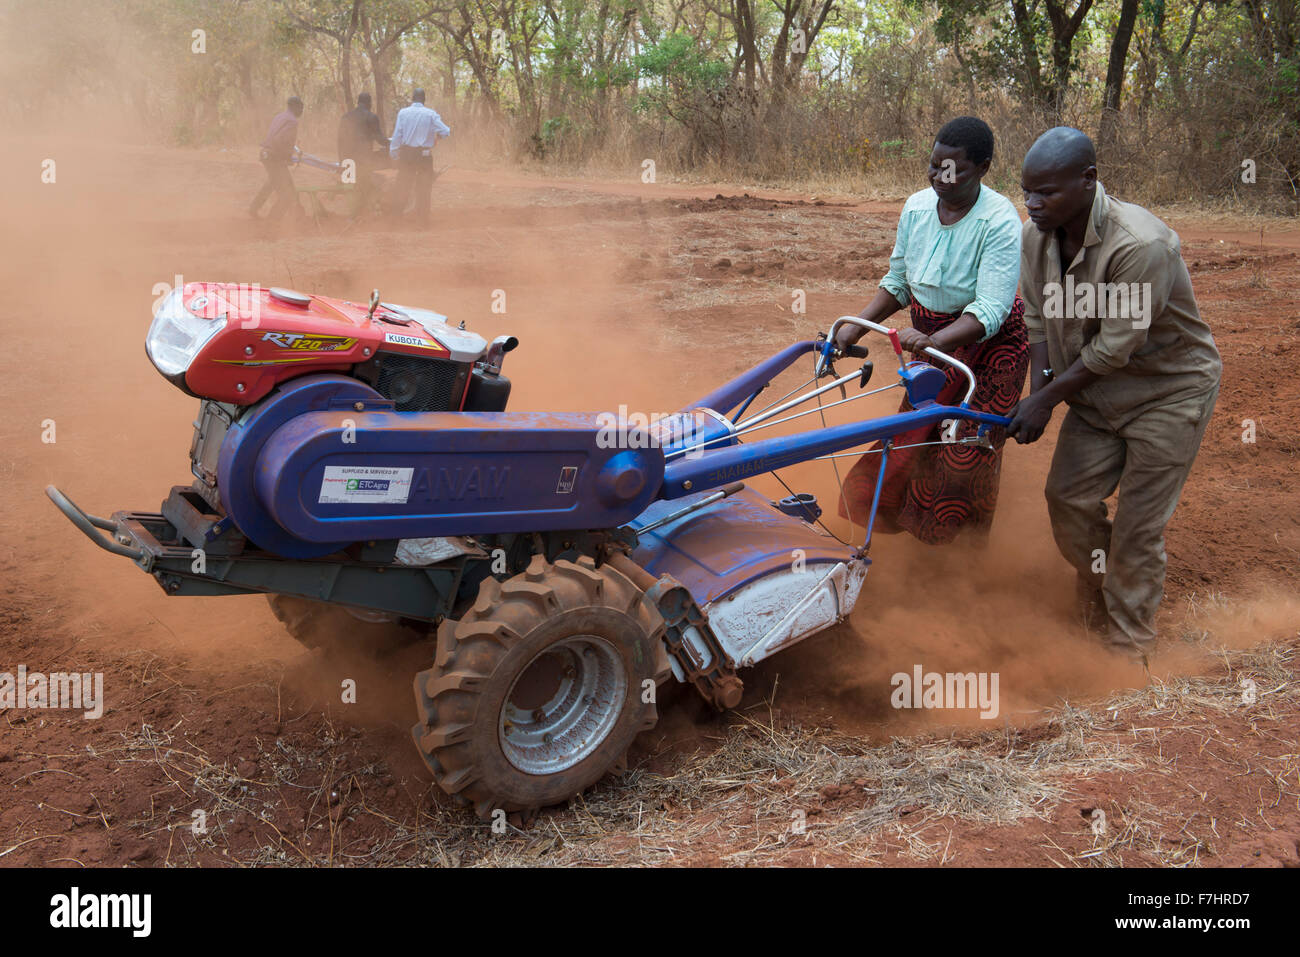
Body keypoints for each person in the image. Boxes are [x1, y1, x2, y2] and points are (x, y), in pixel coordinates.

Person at [1007, 127, 1222, 659]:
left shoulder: (1141, 244)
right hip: (1095, 396)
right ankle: (1099, 584)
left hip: (1167, 394)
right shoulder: (1036, 237)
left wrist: (1045, 401)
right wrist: (1039, 391)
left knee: (1137, 527)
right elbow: (1038, 317)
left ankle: (1129, 648)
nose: (1032, 204)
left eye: (1047, 192)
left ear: (1088, 181)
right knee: (1067, 501)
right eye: (1027, 191)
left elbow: (1111, 352)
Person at [833, 116, 1028, 546]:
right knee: (912, 439)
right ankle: (914, 532)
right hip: (933, 344)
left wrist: (935, 342)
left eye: (951, 168)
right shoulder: (917, 207)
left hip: (990, 349)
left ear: (983, 168)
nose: (938, 176)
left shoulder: (999, 221)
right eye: (934, 164)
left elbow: (991, 309)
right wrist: (855, 329)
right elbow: (899, 282)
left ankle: (962, 555)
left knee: (965, 450)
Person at [388, 88, 451, 225]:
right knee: (424, 188)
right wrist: (437, 138)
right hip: (424, 156)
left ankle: (395, 219)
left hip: (407, 155)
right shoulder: (430, 114)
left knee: (403, 186)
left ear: (412, 98)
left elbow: (397, 135)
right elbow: (446, 131)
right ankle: (422, 221)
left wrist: (394, 153)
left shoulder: (403, 113)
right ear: (424, 100)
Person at [250, 96, 304, 220]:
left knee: (272, 182)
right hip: (275, 157)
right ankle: (272, 222)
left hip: (266, 154)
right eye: (301, 108)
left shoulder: (279, 116)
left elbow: (275, 136)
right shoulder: (292, 121)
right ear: (294, 107)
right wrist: (288, 157)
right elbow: (283, 140)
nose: (302, 111)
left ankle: (254, 208)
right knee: (287, 195)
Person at [337, 92, 389, 218]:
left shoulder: (345, 117)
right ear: (369, 103)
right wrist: (392, 143)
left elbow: (340, 140)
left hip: (347, 158)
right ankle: (361, 214)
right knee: (365, 185)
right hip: (363, 159)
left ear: (358, 102)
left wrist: (341, 161)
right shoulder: (371, 117)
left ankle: (354, 215)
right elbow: (380, 139)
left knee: (352, 187)